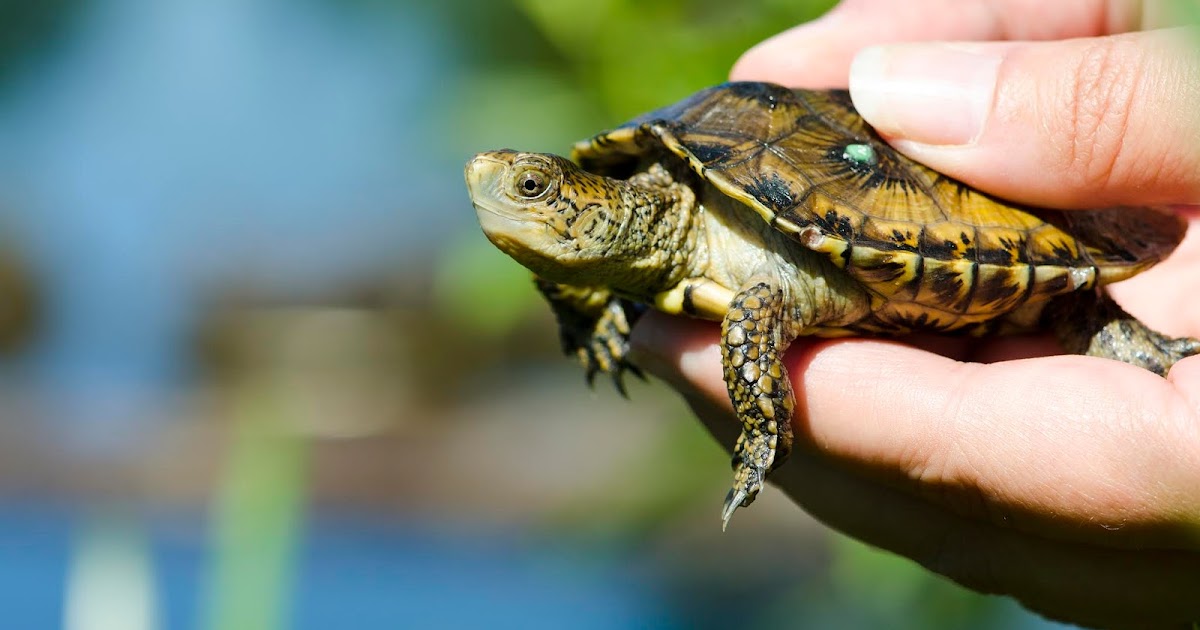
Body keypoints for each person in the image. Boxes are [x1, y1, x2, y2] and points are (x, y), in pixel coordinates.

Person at [628, 0, 1200, 625]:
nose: (507, 197)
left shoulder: (732, 248)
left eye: (534, 190)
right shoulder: (628, 229)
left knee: (1081, 313)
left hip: (973, 226)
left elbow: (757, 308)